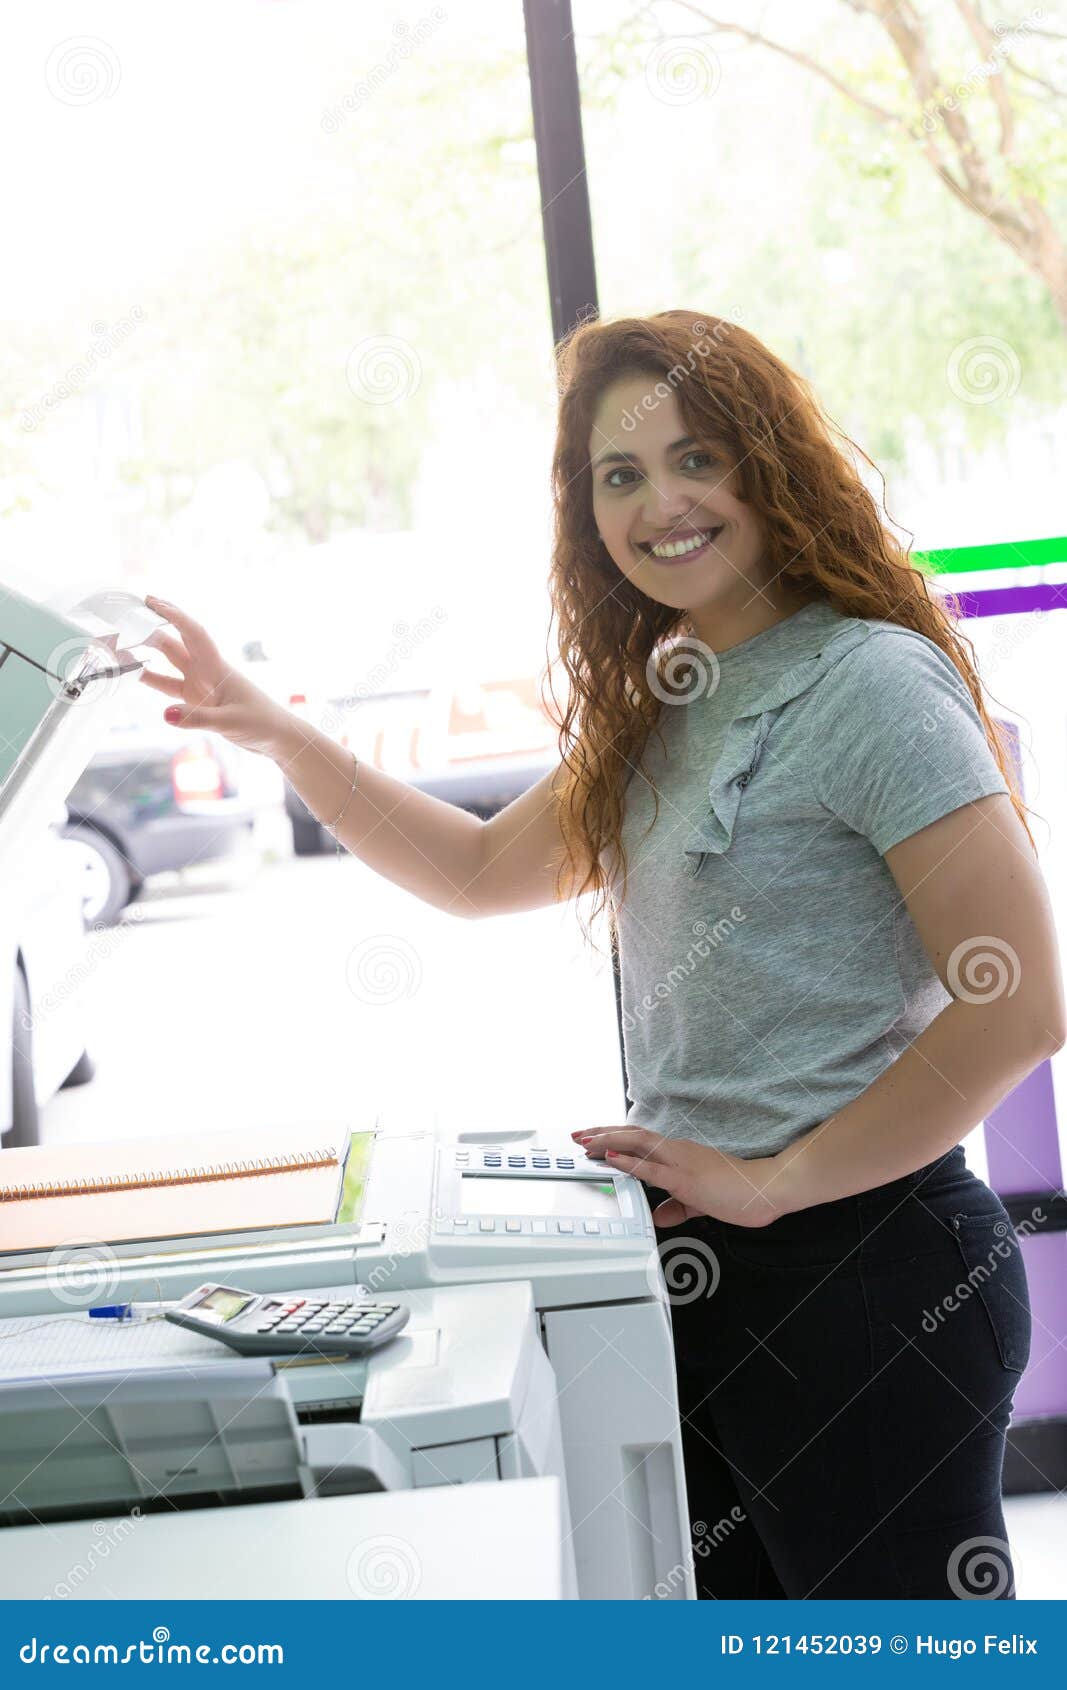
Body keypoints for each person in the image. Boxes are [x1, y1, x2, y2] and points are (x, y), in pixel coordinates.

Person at [139, 309, 1065, 1600]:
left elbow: (1017, 1002)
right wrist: (282, 736)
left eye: (696, 459)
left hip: (868, 1272)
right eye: (619, 474)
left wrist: (779, 1176)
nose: (659, 504)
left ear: (768, 465)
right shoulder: (679, 690)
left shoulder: (871, 682)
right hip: (708, 1268)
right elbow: (477, 872)